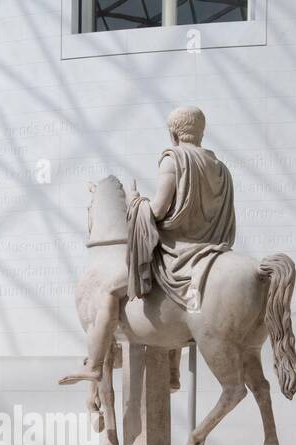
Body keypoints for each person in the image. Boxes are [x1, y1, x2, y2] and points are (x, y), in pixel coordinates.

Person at [59, 106, 234, 386]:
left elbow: (159, 209)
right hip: (213, 248)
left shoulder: (173, 160)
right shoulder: (221, 168)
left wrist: (136, 202)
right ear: (202, 131)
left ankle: (94, 364)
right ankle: (173, 370)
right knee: (177, 306)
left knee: (109, 290)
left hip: (179, 252)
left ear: (174, 133)